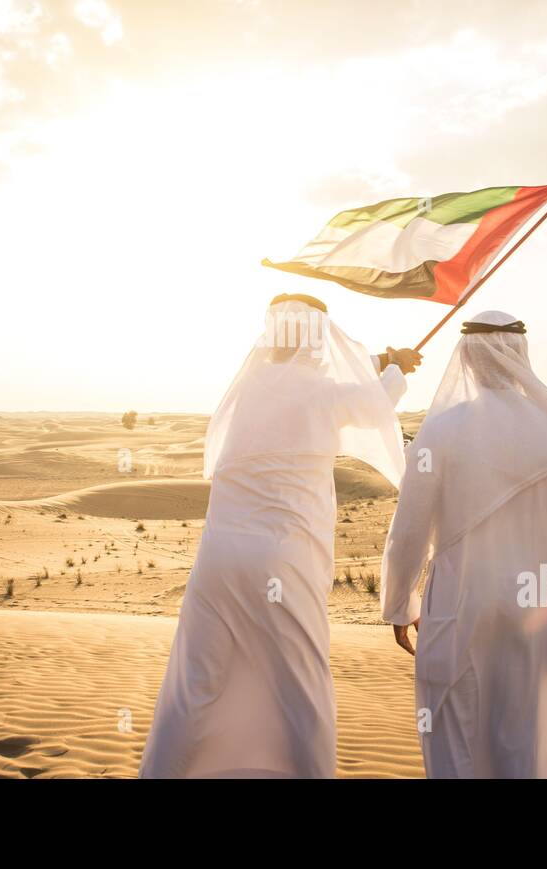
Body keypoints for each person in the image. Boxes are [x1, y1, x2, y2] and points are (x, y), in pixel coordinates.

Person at [140, 293, 421, 778]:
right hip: (282, 564)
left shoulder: (251, 389)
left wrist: (381, 360)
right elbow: (372, 402)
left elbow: (327, 377)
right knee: (300, 689)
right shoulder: (321, 393)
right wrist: (396, 367)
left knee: (196, 683)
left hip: (218, 561)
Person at [380, 310, 547, 778]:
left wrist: (400, 605)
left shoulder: (442, 430)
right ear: (520, 354)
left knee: (456, 743)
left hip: (462, 607)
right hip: (537, 612)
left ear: (467, 358)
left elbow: (409, 532)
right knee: (522, 743)